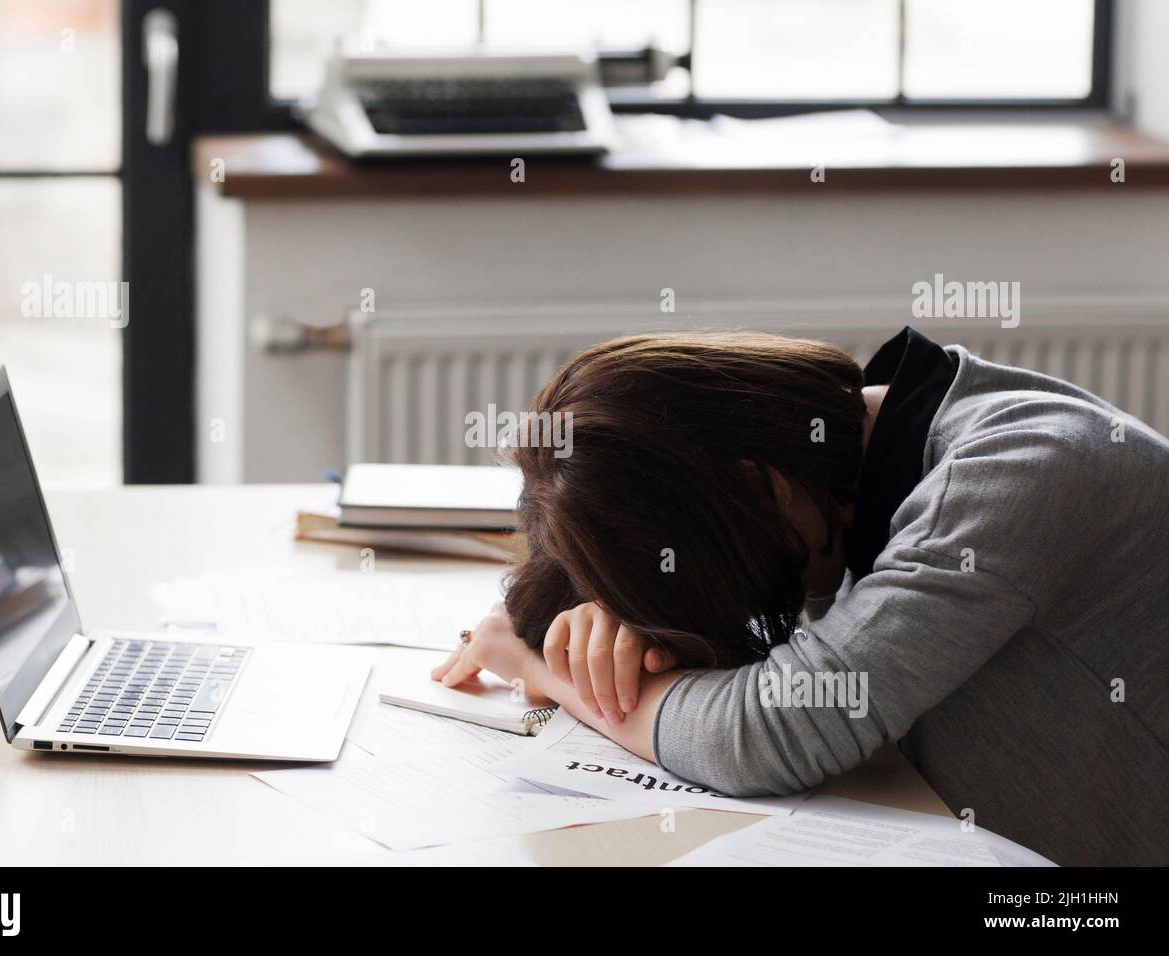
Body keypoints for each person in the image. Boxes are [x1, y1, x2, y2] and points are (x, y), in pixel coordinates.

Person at [432, 326, 1169, 865]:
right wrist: (593, 626)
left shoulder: (1018, 473)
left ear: (767, 489)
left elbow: (772, 730)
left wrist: (545, 673)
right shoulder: (858, 472)